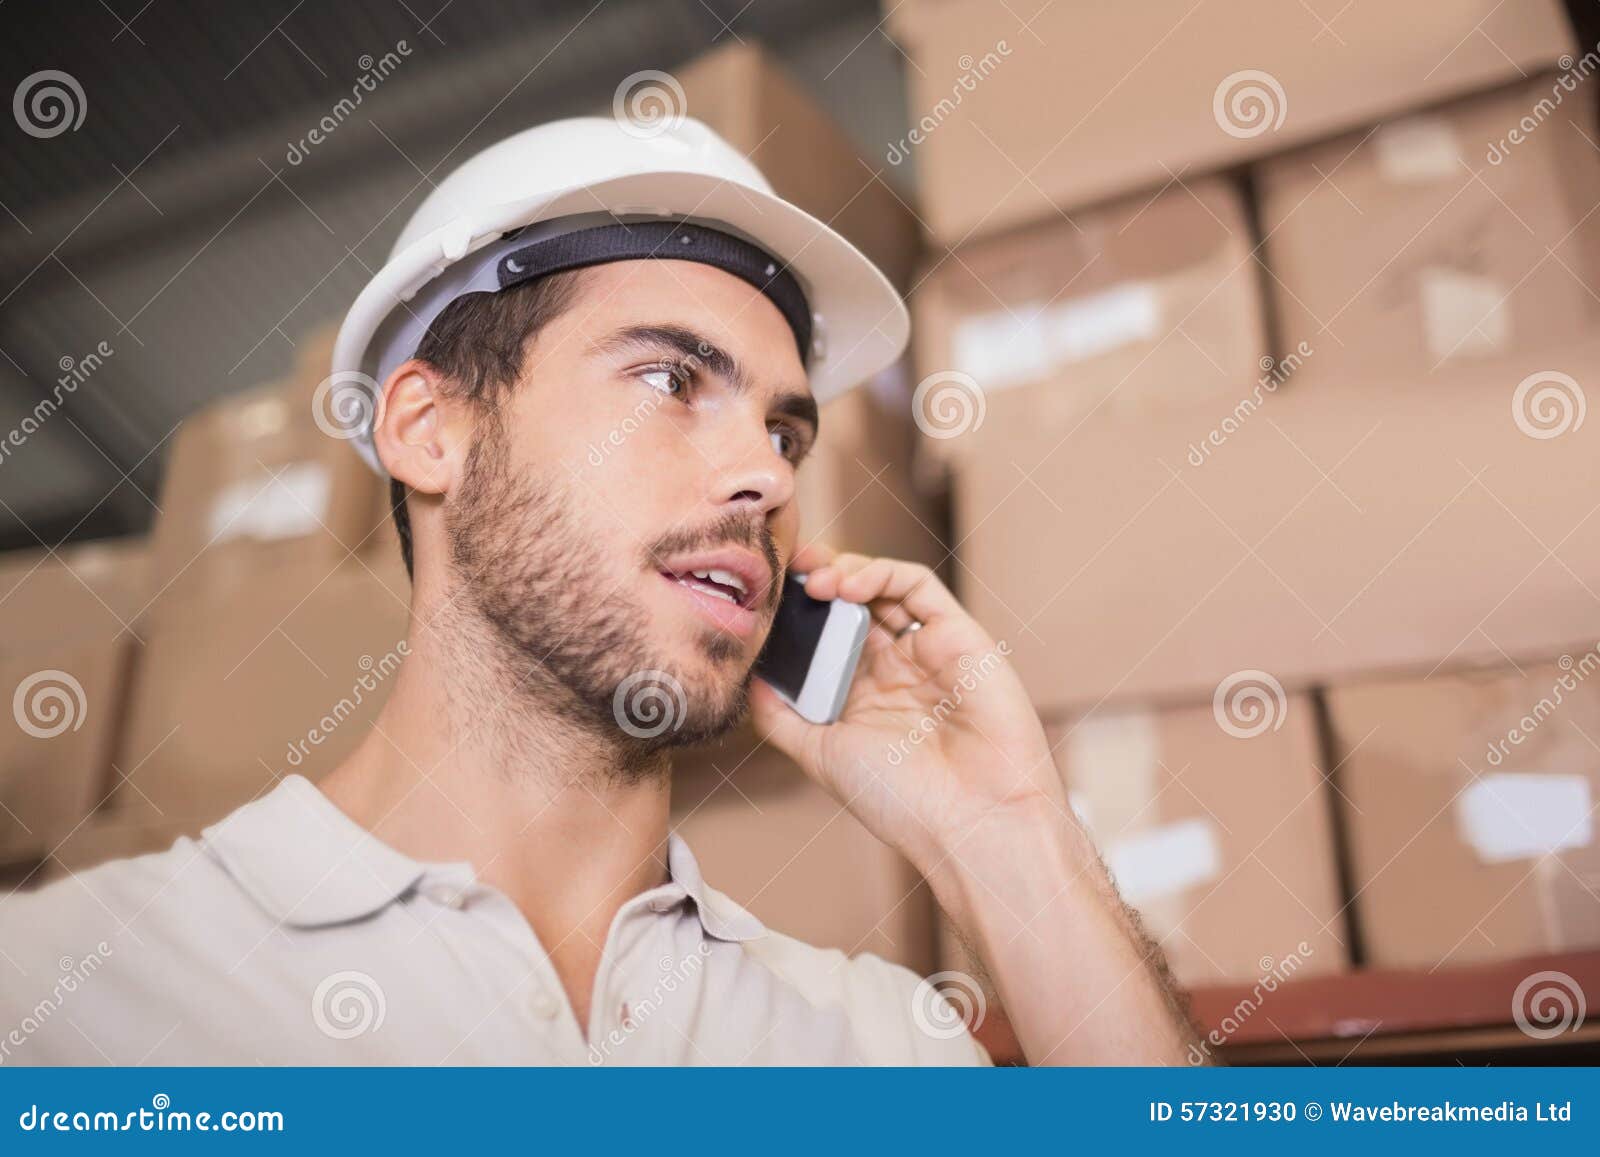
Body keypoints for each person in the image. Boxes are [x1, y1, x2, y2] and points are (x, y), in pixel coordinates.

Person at [0, 116, 1199, 1066]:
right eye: (671, 378)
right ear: (427, 429)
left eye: (787, 431)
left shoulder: (878, 1048)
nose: (764, 476)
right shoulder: (65, 997)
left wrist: (1003, 839)